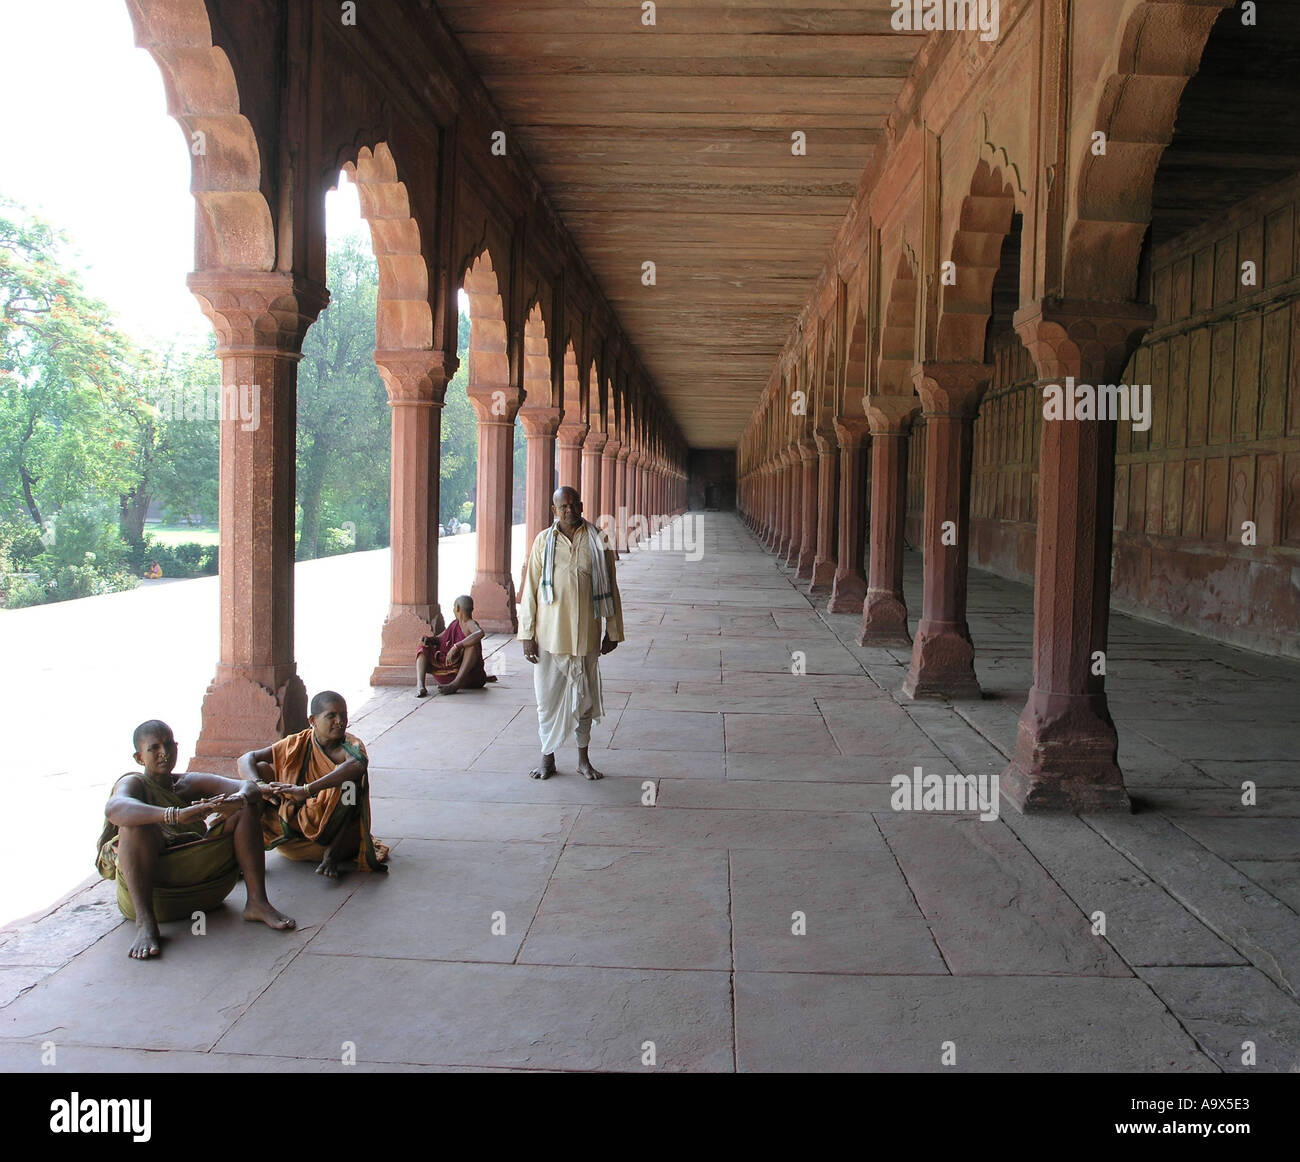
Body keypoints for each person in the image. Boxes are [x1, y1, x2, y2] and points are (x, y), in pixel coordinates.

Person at [96, 720, 295, 960]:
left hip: (205, 886)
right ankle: (145, 923)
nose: (164, 753)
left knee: (246, 806)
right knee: (133, 827)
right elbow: (115, 808)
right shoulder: (134, 783)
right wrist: (176, 816)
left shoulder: (189, 782)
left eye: (169, 744)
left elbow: (248, 788)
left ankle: (257, 902)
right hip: (159, 892)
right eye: (154, 748)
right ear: (139, 758)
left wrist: (237, 799)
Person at [518, 485, 624, 780]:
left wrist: (612, 631)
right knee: (547, 699)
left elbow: (611, 588)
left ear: (581, 504)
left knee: (585, 699)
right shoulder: (543, 542)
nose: (569, 510)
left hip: (586, 634)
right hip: (549, 637)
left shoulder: (598, 539)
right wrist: (526, 634)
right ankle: (547, 757)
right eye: (562, 506)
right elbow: (530, 590)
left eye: (573, 504)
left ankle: (583, 759)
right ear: (554, 511)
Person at [239, 691, 389, 878]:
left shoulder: (350, 745)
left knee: (349, 786)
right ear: (313, 720)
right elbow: (246, 758)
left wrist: (307, 790)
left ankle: (332, 853)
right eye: (331, 716)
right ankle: (248, 856)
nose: (340, 721)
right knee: (259, 771)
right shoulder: (297, 742)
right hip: (293, 823)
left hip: (334, 832)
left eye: (343, 715)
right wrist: (260, 785)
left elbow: (357, 765)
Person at [416, 594, 498, 697]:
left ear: (458, 608)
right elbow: (439, 639)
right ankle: (420, 685)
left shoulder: (470, 623)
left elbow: (480, 633)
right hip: (446, 672)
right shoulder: (455, 624)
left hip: (467, 677)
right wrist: (428, 639)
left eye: (454, 607)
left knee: (472, 645)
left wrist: (457, 646)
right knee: (423, 647)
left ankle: (455, 684)